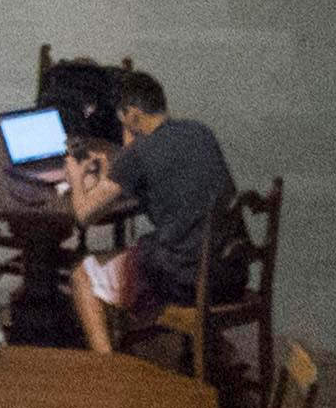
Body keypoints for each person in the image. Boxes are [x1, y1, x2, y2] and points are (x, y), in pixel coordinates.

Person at [78, 111, 238, 364]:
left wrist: (75, 176)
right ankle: (210, 351)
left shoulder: (140, 151)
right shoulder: (199, 131)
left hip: (190, 284)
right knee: (171, 245)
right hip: (232, 274)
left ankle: (108, 371)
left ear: (132, 117)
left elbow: (84, 213)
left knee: (83, 275)